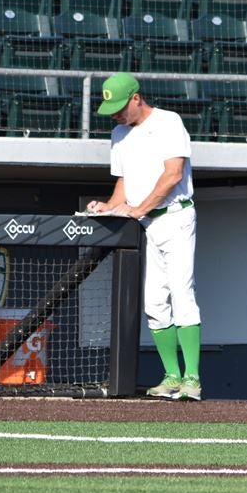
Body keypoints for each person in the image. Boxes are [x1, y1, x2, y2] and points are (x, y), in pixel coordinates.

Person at [85, 73, 202, 401]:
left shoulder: (168, 121)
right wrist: (108, 207)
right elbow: (123, 184)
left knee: (182, 294)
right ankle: (172, 376)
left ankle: (192, 378)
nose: (116, 114)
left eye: (120, 106)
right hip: (150, 223)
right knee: (153, 303)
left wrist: (139, 209)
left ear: (136, 98)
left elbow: (173, 174)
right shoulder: (119, 134)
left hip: (176, 218)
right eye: (111, 108)